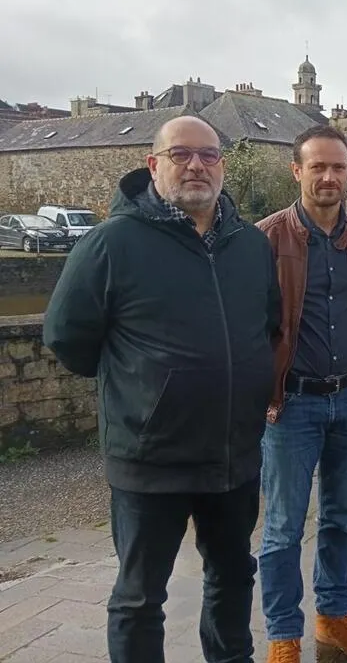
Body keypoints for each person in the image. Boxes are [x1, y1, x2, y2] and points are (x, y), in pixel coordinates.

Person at [43, 116, 281, 663]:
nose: (197, 165)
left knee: (232, 578)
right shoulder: (112, 242)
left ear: (222, 165)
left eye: (209, 155)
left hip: (233, 455)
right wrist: (144, 394)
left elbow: (267, 323)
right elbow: (67, 336)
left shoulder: (249, 244)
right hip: (150, 459)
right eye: (181, 155)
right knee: (139, 596)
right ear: (154, 165)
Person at [255, 125, 347, 663]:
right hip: (292, 404)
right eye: (318, 167)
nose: (329, 177)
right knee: (284, 525)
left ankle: (334, 616)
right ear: (297, 171)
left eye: (337, 167)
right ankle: (283, 632)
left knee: (342, 517)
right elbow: (250, 325)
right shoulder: (264, 239)